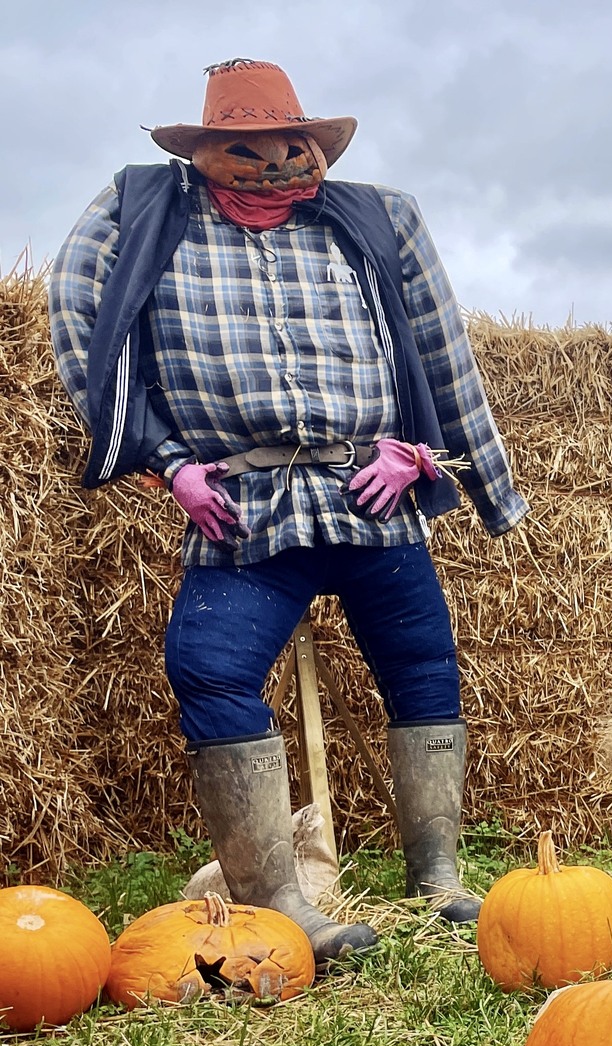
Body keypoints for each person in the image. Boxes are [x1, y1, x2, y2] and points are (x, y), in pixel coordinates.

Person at [50, 58, 528, 961]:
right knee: (210, 669)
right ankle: (279, 904)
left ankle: (438, 879)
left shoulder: (379, 218)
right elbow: (79, 319)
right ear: (204, 153)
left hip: (369, 492)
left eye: (289, 146)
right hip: (246, 502)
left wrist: (435, 458)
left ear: (313, 145)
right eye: (247, 148)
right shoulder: (144, 210)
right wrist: (163, 460)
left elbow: (439, 343)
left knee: (423, 667)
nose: (272, 165)